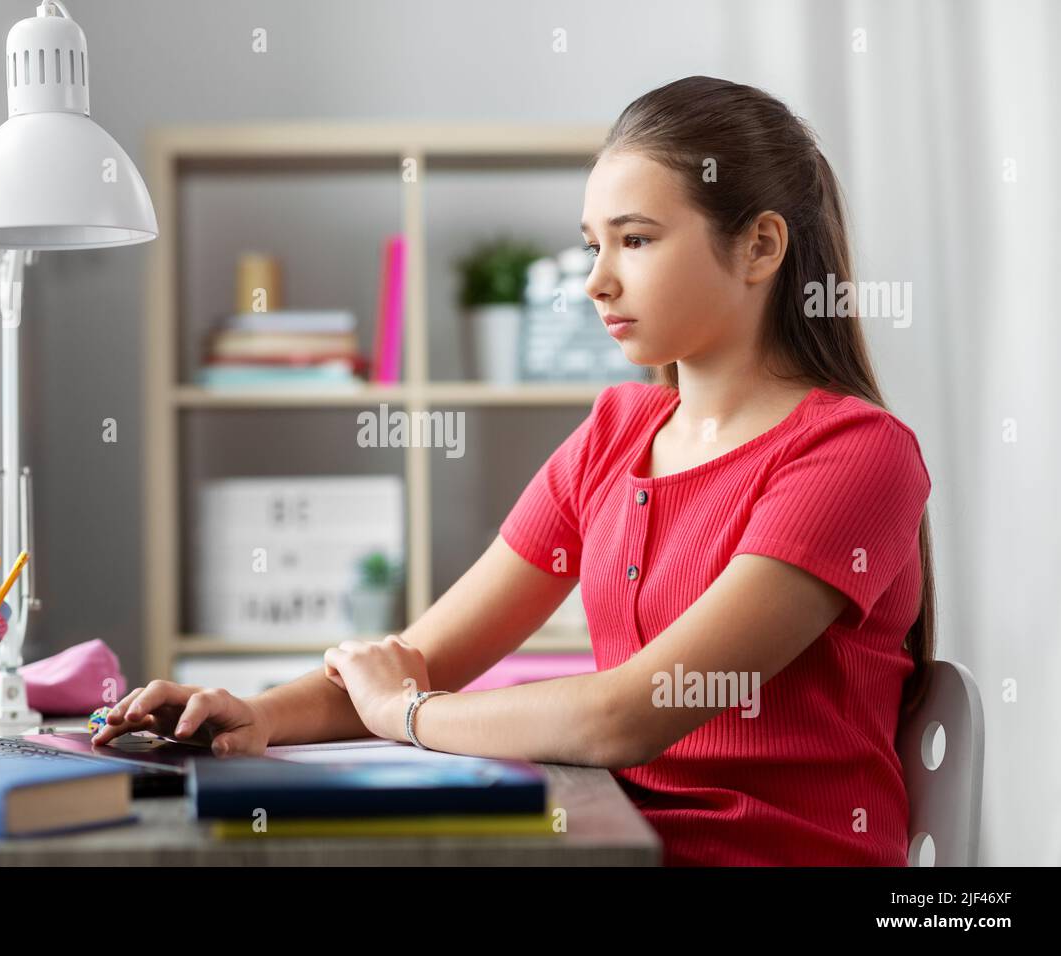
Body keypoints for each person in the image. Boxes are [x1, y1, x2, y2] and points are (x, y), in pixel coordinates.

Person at [94, 76, 933, 866]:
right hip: (609, 848)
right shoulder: (615, 432)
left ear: (758, 246)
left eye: (635, 241)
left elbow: (625, 716)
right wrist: (255, 717)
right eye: (591, 246)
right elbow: (420, 657)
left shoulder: (854, 457)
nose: (598, 282)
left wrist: (410, 716)